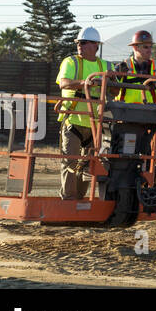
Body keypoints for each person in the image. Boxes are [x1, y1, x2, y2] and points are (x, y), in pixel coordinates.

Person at [56, 26, 110, 199]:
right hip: (73, 121)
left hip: (95, 124)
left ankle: (79, 201)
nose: (80, 45)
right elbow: (64, 83)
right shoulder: (71, 62)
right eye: (79, 42)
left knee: (88, 166)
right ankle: (68, 201)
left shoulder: (104, 66)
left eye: (85, 42)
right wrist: (86, 83)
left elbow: (116, 90)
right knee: (70, 163)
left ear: (96, 46)